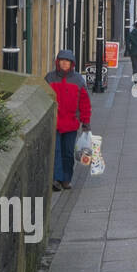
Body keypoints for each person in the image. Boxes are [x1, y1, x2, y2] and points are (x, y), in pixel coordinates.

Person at [45, 50, 91, 191]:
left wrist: (86, 121)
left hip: (71, 123)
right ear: (57, 62)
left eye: (67, 61)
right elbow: (43, 98)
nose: (64, 63)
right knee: (56, 152)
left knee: (68, 153)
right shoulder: (50, 78)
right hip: (55, 123)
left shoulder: (77, 80)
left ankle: (66, 179)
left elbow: (84, 102)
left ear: (72, 64)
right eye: (62, 60)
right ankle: (56, 179)